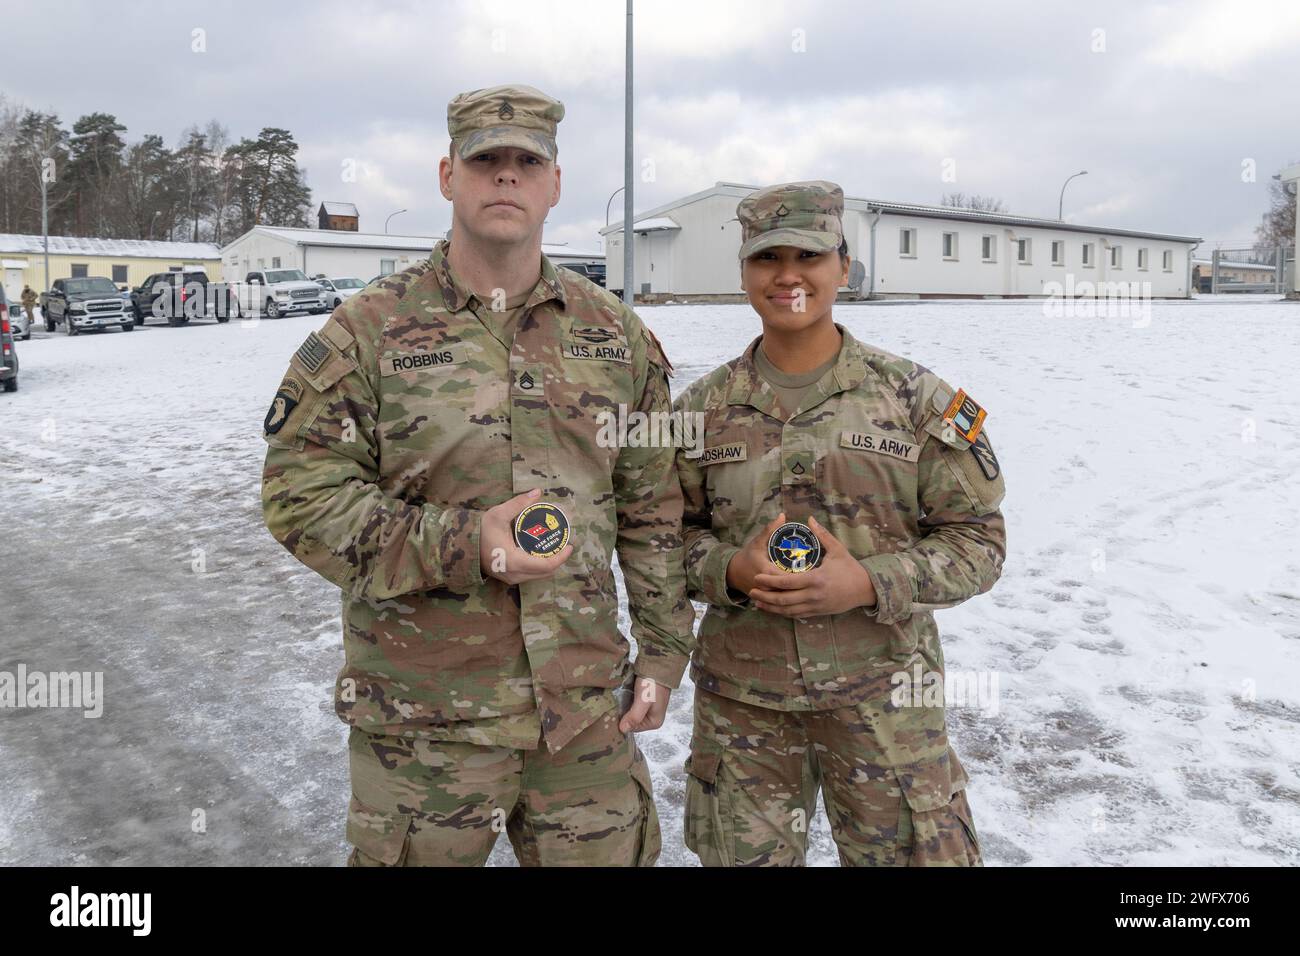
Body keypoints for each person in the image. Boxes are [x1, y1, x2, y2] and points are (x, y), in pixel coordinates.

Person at [260, 84, 694, 866]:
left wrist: (662, 656)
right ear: (446, 176)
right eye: (485, 159)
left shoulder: (614, 335)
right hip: (425, 725)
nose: (506, 176)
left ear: (555, 184)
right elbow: (301, 497)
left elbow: (653, 508)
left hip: (584, 717)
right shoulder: (370, 330)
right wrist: (466, 543)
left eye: (527, 161)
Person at [673, 181, 1007, 866]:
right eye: (768, 258)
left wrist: (870, 583)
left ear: (844, 268)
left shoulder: (914, 398)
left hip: (887, 699)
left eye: (809, 256)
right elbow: (658, 539)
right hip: (745, 704)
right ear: (744, 272)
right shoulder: (700, 411)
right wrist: (727, 570)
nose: (788, 275)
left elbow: (979, 539)